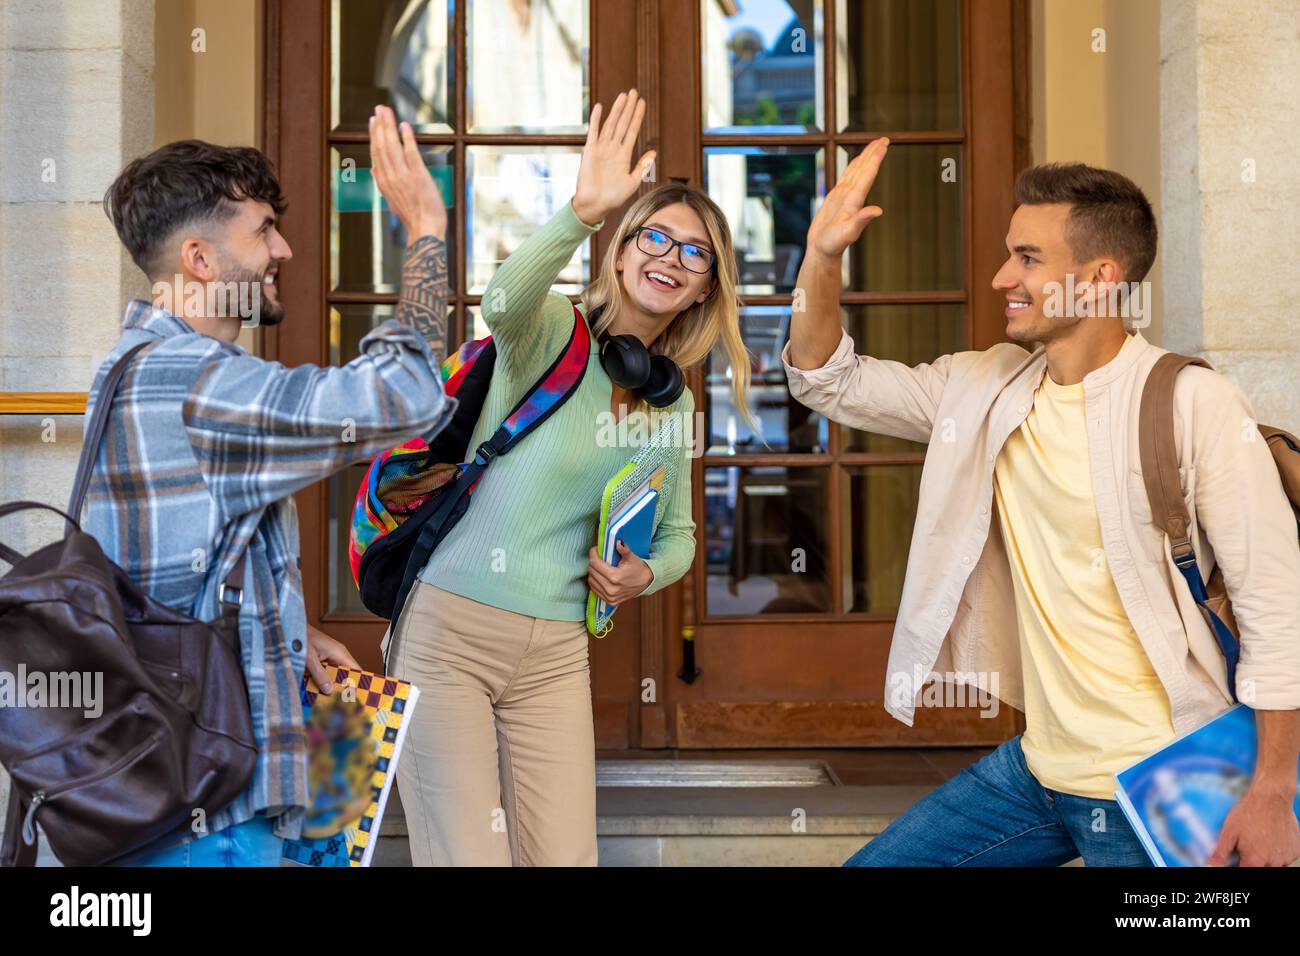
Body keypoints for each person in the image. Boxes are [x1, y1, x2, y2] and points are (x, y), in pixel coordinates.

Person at [785, 140, 1300, 867]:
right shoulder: (986, 387)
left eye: (1027, 258)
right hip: (1038, 772)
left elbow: (1276, 605)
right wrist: (822, 256)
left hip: (1160, 780)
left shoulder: (1192, 403)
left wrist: (1272, 794)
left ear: (1097, 279)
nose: (1002, 276)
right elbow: (826, 381)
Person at [386, 89, 754, 866]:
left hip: (555, 649)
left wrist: (643, 574)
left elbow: (682, 536)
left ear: (705, 286)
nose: (670, 259)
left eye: (695, 253)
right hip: (451, 627)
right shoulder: (553, 333)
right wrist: (581, 212)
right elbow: (501, 297)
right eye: (655, 237)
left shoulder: (669, 401)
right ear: (621, 252)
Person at [88, 105, 455, 865]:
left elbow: (177, 555)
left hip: (161, 776)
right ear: (199, 259)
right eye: (262, 230)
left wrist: (286, 627)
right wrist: (425, 230)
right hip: (206, 806)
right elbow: (400, 396)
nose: (283, 248)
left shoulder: (130, 365)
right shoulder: (195, 383)